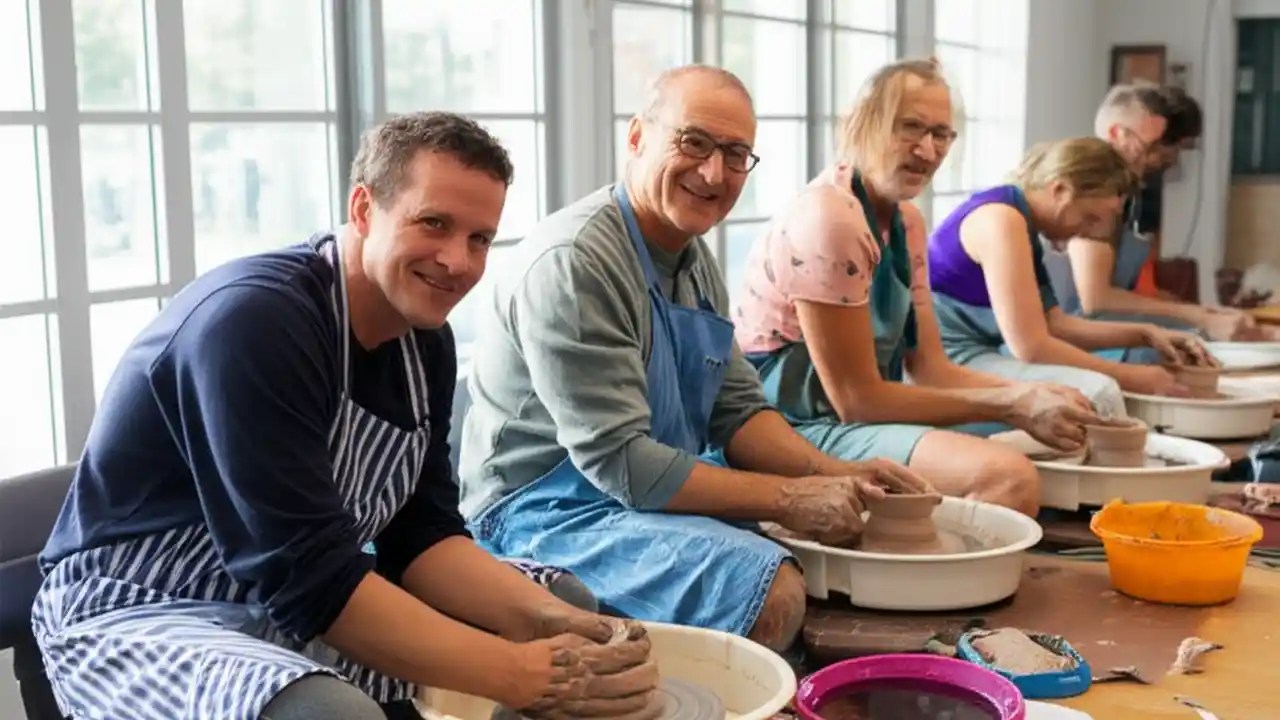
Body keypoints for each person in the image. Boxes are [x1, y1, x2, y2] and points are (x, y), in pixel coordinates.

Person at [32, 112, 662, 720]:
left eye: (479, 239)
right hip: (141, 609)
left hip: (289, 596)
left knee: (562, 605)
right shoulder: (254, 323)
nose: (458, 262)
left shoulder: (424, 341)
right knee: (326, 713)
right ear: (364, 209)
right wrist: (520, 674)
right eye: (434, 223)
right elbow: (306, 576)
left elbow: (421, 533)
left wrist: (555, 622)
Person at [458, 65, 930, 655]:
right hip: (543, 513)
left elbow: (738, 411)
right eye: (694, 142)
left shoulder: (691, 258)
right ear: (637, 137)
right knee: (771, 591)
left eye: (735, 155)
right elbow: (622, 463)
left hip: (633, 492)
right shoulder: (577, 261)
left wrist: (835, 473)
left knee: (821, 545)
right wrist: (789, 498)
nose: (713, 173)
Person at [731, 58, 1095, 517]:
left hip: (858, 410)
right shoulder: (831, 218)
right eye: (910, 128)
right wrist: (1012, 402)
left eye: (941, 134)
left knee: (1064, 417)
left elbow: (931, 369)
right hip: (791, 428)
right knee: (1009, 477)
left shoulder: (906, 221)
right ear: (860, 124)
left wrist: (1036, 393)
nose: (927, 150)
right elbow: (857, 401)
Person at [929, 136, 1215, 414]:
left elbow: (1055, 323)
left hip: (981, 351)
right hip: (945, 363)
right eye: (1089, 218)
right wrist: (1130, 377)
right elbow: (1031, 347)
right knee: (1096, 393)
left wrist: (1146, 334)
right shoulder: (1002, 220)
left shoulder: (1022, 220)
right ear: (1060, 190)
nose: (1089, 233)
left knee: (1141, 359)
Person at [1044, 85, 1259, 344]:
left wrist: (1205, 313)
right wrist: (1198, 318)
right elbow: (1095, 299)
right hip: (1072, 336)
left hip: (1103, 328)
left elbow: (1130, 295)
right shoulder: (1091, 190)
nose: (1157, 158)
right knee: (1185, 348)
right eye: (1151, 146)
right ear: (1116, 134)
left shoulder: (1127, 196)